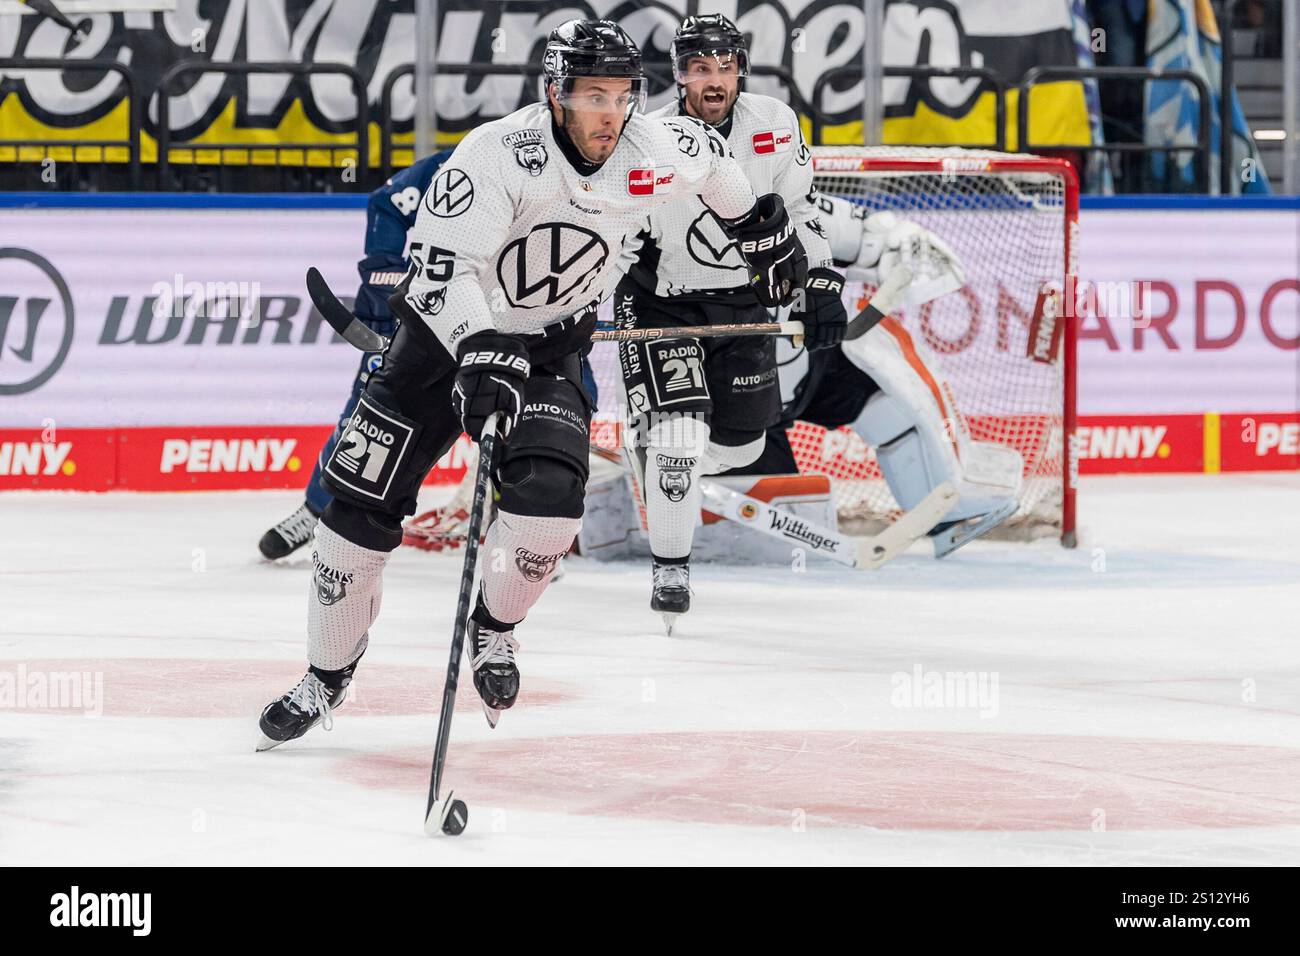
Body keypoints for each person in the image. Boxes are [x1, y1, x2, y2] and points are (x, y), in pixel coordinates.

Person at [256, 18, 806, 749]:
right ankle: (327, 675)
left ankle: (494, 629)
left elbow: (715, 166)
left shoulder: (659, 144)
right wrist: (479, 350)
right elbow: (446, 271)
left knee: (551, 507)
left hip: (549, 348)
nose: (608, 113)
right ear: (555, 92)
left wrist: (763, 233)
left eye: (621, 95)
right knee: (355, 516)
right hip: (439, 342)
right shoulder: (496, 152)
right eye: (590, 95)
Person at [612, 13, 843, 632]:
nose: (713, 80)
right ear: (679, 73)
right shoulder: (647, 136)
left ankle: (658, 457)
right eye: (698, 67)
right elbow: (616, 230)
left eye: (724, 66)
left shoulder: (775, 123)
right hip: (662, 302)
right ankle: (671, 565)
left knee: (743, 443)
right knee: (680, 437)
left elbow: (801, 206)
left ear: (740, 67)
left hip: (742, 303)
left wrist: (821, 279)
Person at [256, 148, 454, 560]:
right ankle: (317, 509)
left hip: (498, 321)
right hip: (420, 316)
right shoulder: (465, 159)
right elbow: (387, 203)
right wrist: (389, 290)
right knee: (368, 417)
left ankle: (520, 529)